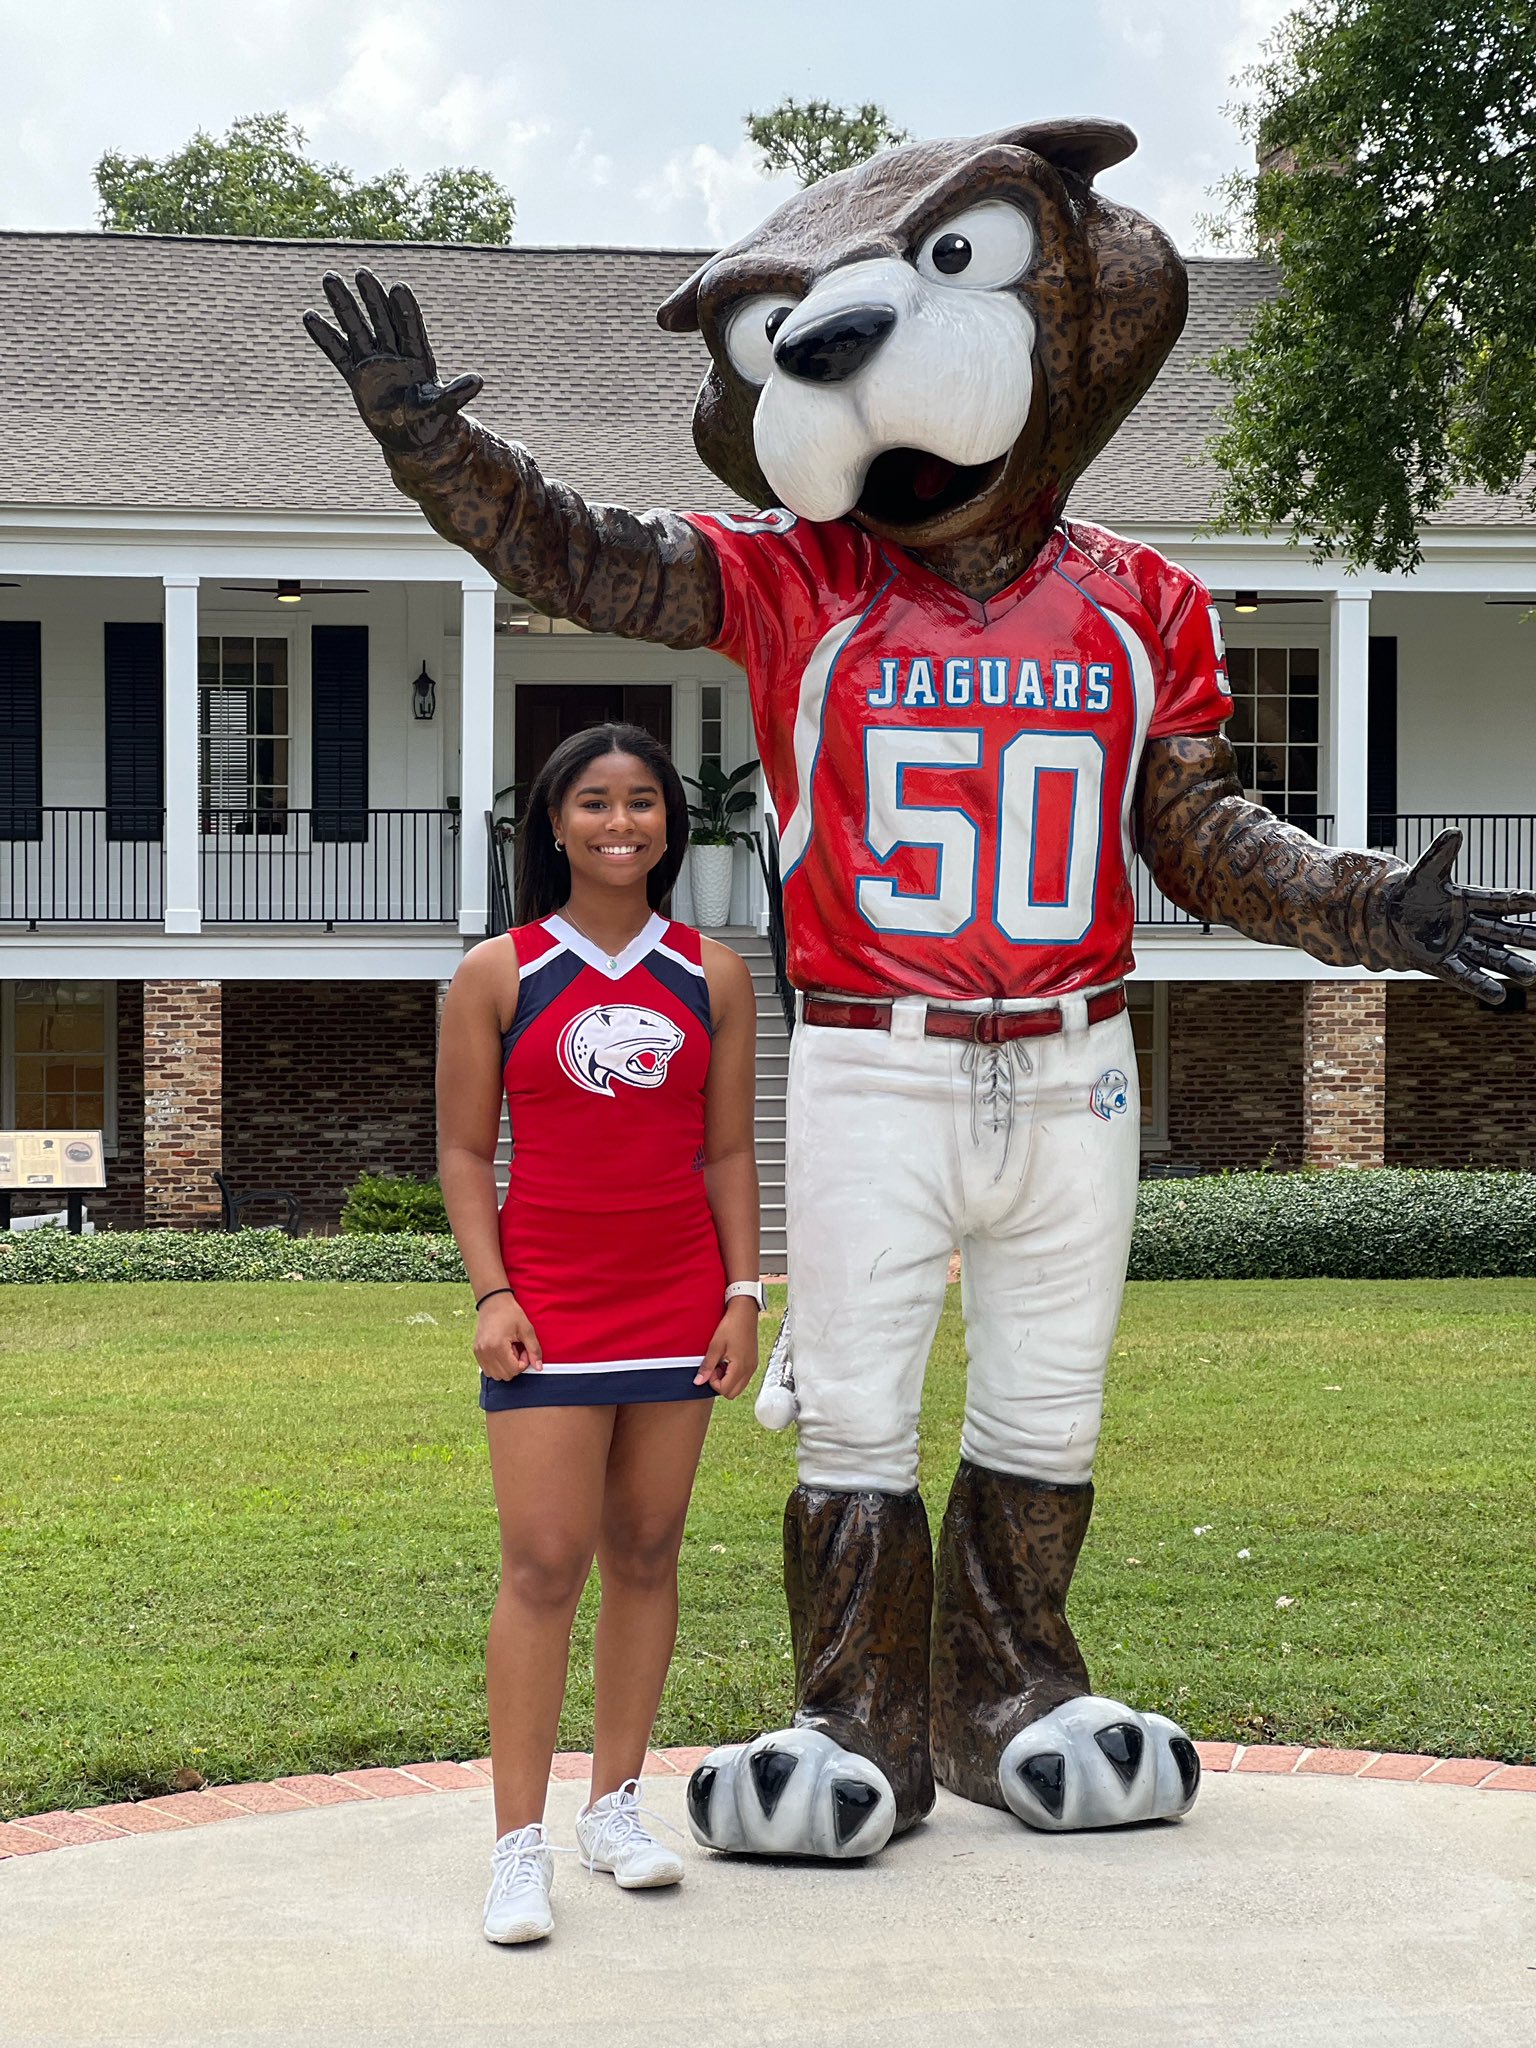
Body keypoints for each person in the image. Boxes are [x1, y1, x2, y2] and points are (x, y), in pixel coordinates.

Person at [436, 721, 761, 1944]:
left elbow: (725, 1149)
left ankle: (614, 1805)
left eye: (642, 802)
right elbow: (467, 1151)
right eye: (594, 802)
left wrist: (743, 1292)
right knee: (542, 1560)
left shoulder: (711, 973)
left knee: (646, 1548)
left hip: (678, 1294)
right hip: (552, 1297)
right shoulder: (500, 971)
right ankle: (516, 1846)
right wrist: (492, 1291)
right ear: (556, 822)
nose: (620, 822)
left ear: (671, 823)